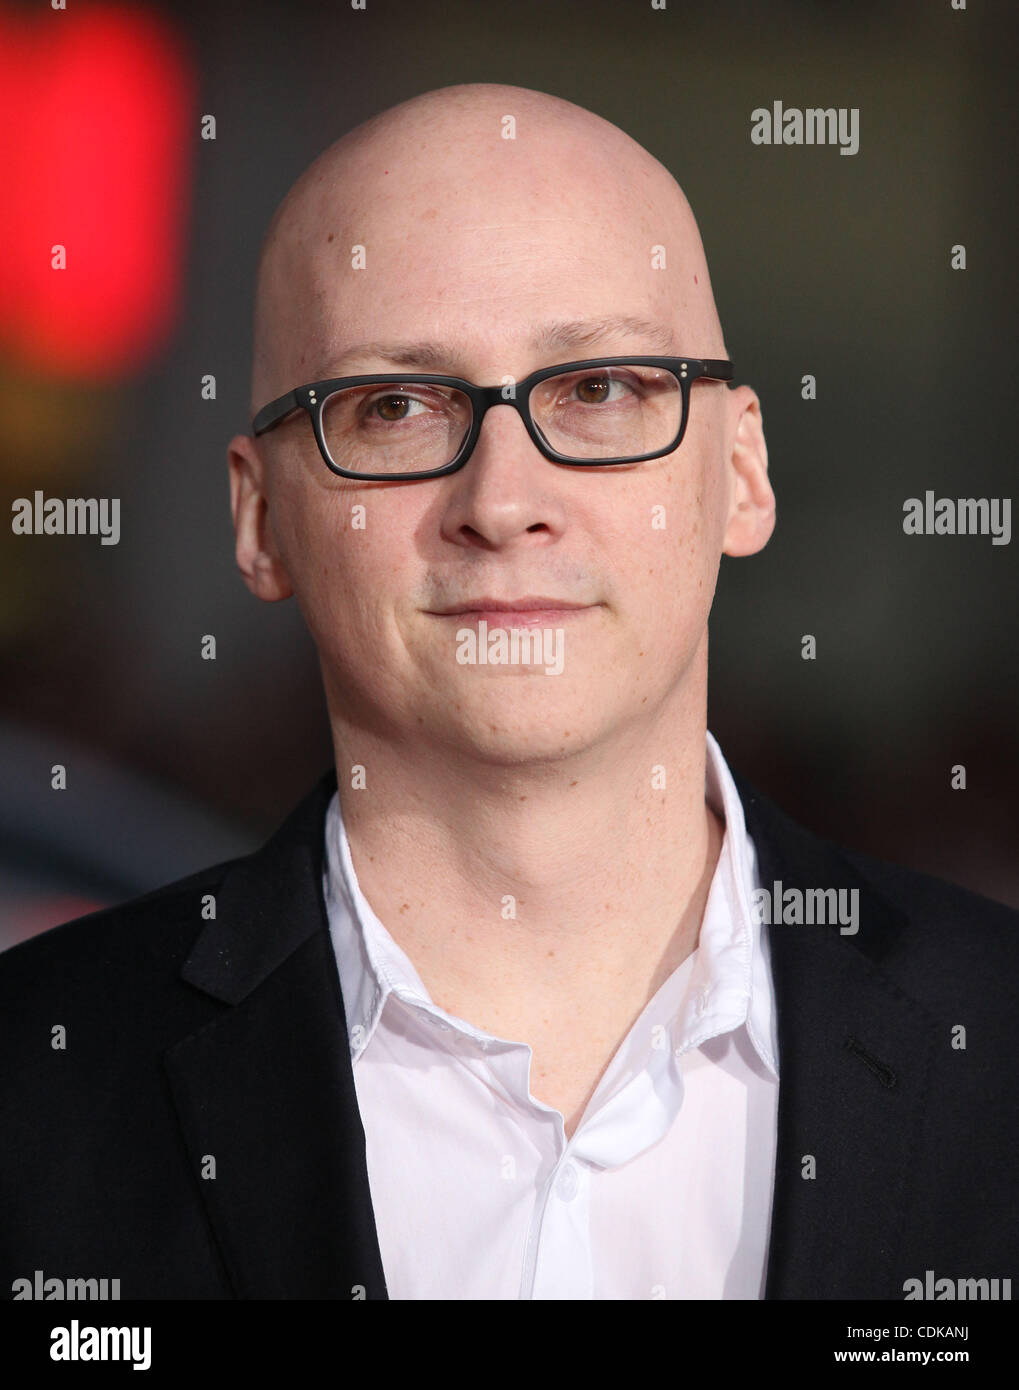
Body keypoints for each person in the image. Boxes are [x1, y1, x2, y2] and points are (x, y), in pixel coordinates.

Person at [2, 83, 1016, 1302]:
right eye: (392, 407)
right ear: (259, 517)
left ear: (740, 470)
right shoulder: (32, 1089)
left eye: (597, 389)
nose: (500, 499)